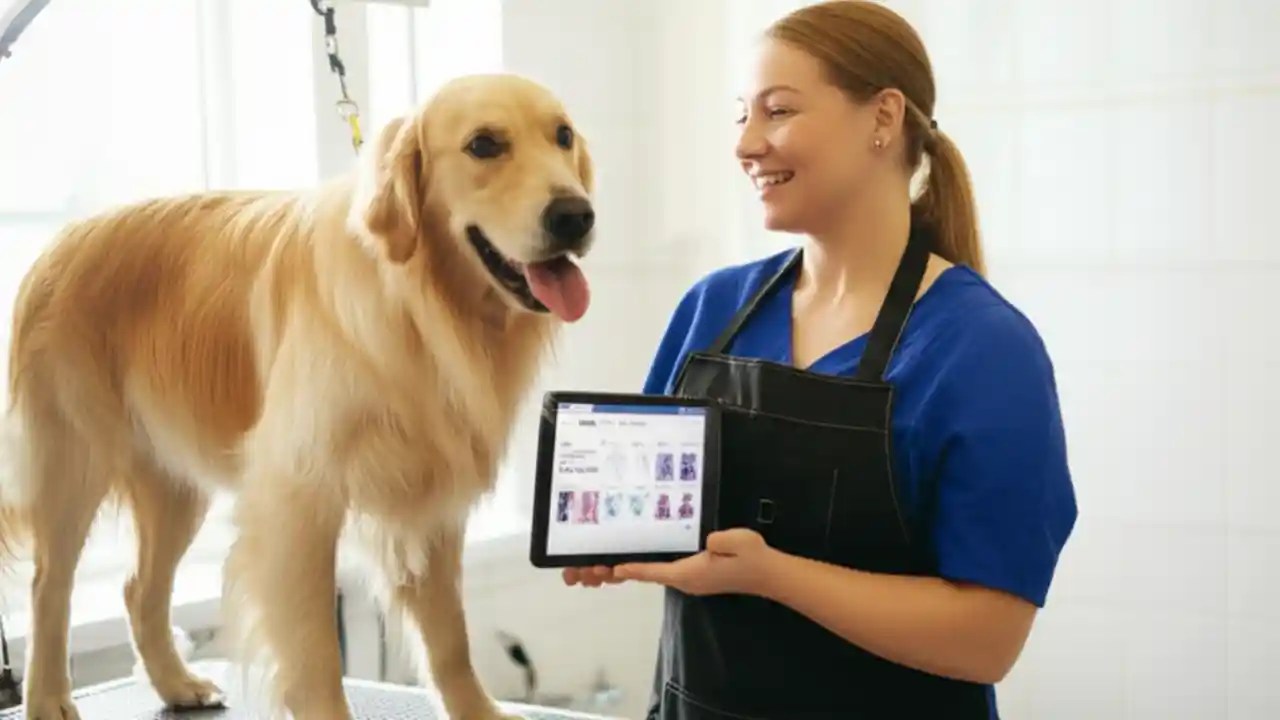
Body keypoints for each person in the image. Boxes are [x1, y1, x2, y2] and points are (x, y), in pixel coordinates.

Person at [562, 2, 1077, 718]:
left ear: (883, 119)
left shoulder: (983, 348)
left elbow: (986, 638)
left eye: (777, 111)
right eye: (740, 114)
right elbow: (652, 507)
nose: (747, 142)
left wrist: (774, 576)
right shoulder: (713, 310)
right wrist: (605, 533)